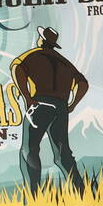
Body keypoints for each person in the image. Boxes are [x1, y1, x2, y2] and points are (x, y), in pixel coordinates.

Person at [9, 26, 88, 196]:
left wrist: (27, 98)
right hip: (60, 107)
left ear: (41, 40)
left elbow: (17, 68)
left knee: (29, 149)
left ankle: (33, 195)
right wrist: (72, 104)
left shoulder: (34, 55)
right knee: (63, 154)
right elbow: (83, 83)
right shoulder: (64, 62)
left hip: (41, 103)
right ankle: (82, 192)